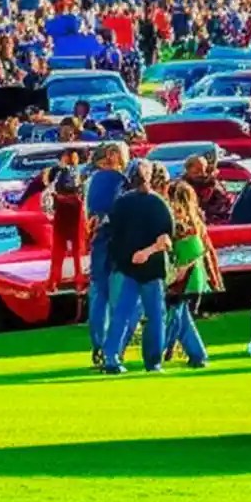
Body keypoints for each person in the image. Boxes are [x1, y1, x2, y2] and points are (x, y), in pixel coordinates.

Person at [102, 159, 175, 374]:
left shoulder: (120, 204)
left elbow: (110, 235)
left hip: (126, 266)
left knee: (122, 314)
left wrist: (124, 258)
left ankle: (111, 358)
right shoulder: (158, 203)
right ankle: (153, 362)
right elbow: (166, 238)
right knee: (155, 316)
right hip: (151, 268)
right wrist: (146, 252)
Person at [162, 181, 221, 368]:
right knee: (181, 317)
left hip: (184, 280)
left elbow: (184, 256)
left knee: (177, 317)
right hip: (196, 280)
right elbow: (207, 251)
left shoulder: (179, 227)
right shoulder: (196, 223)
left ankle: (168, 347)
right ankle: (193, 354)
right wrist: (214, 278)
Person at [84, 143, 129, 366]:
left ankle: (100, 345)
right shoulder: (121, 181)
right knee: (119, 296)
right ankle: (113, 347)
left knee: (99, 295)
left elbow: (89, 214)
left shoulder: (93, 181)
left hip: (98, 241)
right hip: (117, 243)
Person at [46, 154, 86, 294]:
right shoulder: (80, 171)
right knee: (76, 250)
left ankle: (53, 281)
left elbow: (50, 186)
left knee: (59, 248)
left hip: (63, 207)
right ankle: (78, 282)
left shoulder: (58, 171)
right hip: (75, 206)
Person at [183, 150, 233, 224]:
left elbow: (222, 207)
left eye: (202, 171)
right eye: (196, 172)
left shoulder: (214, 187)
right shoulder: (182, 187)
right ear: (188, 171)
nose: (200, 174)